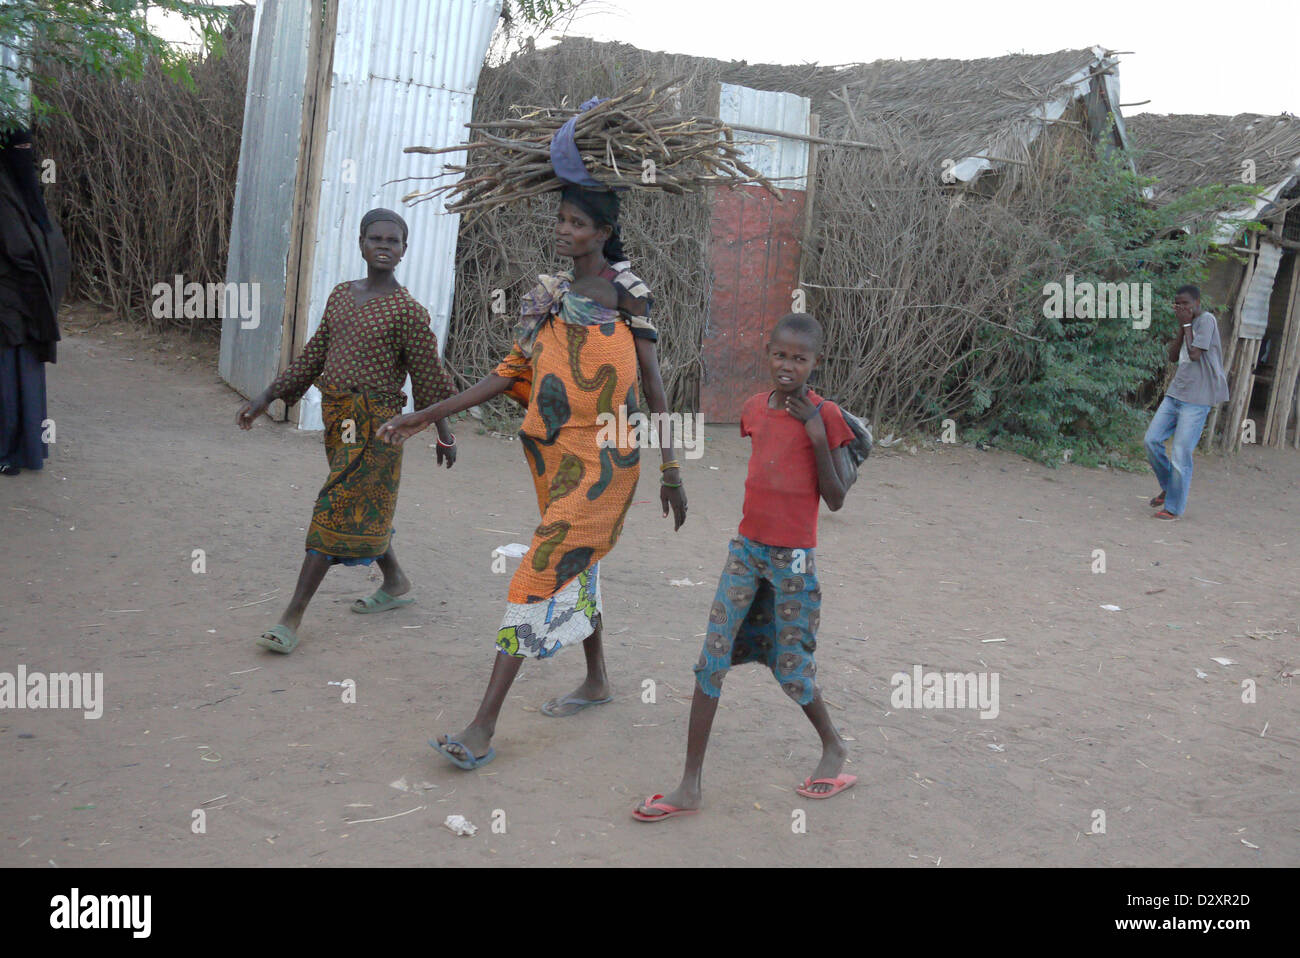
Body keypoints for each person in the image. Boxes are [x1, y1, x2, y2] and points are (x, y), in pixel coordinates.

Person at [377, 184, 688, 768]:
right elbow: (507, 375)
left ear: (602, 232)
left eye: (576, 223)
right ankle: (596, 679)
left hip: (607, 464)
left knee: (537, 572)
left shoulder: (628, 295)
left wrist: (671, 467)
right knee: (578, 564)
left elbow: (653, 384)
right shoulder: (547, 295)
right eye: (561, 219)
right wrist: (424, 415)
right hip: (552, 459)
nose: (563, 230)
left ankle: (482, 727)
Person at [633, 313, 857, 821]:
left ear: (815, 363)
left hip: (793, 562)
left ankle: (834, 746)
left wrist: (817, 436)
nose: (787, 366)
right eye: (780, 355)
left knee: (791, 667)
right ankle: (689, 786)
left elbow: (837, 498)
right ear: (768, 354)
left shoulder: (828, 416)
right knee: (710, 660)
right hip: (746, 553)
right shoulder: (754, 409)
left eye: (799, 359)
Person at [236, 208, 457, 653]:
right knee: (359, 506)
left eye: (393, 241)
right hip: (339, 420)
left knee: (334, 507)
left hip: (379, 427)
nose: (383, 246)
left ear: (403, 251)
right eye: (375, 238)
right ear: (360, 243)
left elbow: (429, 379)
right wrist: (266, 397)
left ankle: (291, 617)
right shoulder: (341, 296)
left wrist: (444, 432)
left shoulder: (408, 312)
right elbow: (313, 356)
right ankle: (394, 580)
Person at [1, 127, 69, 476]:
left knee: (14, 380)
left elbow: (22, 248)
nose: (25, 157)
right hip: (23, 306)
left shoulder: (12, 192)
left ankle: (14, 452)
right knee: (18, 378)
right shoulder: (18, 192)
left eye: (29, 151)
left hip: (19, 307)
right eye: (20, 150)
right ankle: (20, 451)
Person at [1144, 285, 1229, 520]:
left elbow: (1194, 354)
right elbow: (1173, 356)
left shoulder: (1207, 320)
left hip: (1198, 397)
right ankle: (1170, 487)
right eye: (1177, 304)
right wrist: (1182, 326)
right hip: (1177, 392)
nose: (1181, 308)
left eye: (1186, 304)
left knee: (1181, 452)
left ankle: (1173, 508)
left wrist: (1187, 324)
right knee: (1151, 440)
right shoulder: (1187, 323)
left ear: (1197, 303)